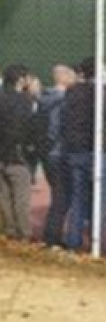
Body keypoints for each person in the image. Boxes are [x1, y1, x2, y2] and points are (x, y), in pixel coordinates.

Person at [61, 57, 106, 254]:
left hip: (75, 151)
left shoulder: (72, 93)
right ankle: (97, 243)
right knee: (100, 200)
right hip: (99, 153)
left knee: (78, 198)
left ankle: (73, 242)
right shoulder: (102, 94)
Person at [39, 64, 77, 247]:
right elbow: (57, 128)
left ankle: (52, 235)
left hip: (48, 152)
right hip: (59, 152)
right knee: (62, 197)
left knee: (59, 196)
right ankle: (52, 238)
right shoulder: (63, 100)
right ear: (64, 78)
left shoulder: (45, 98)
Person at [0, 65, 35, 240]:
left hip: (1, 153)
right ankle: (24, 233)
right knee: (21, 197)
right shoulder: (24, 101)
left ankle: (10, 230)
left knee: (4, 196)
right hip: (17, 154)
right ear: (21, 80)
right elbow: (26, 127)